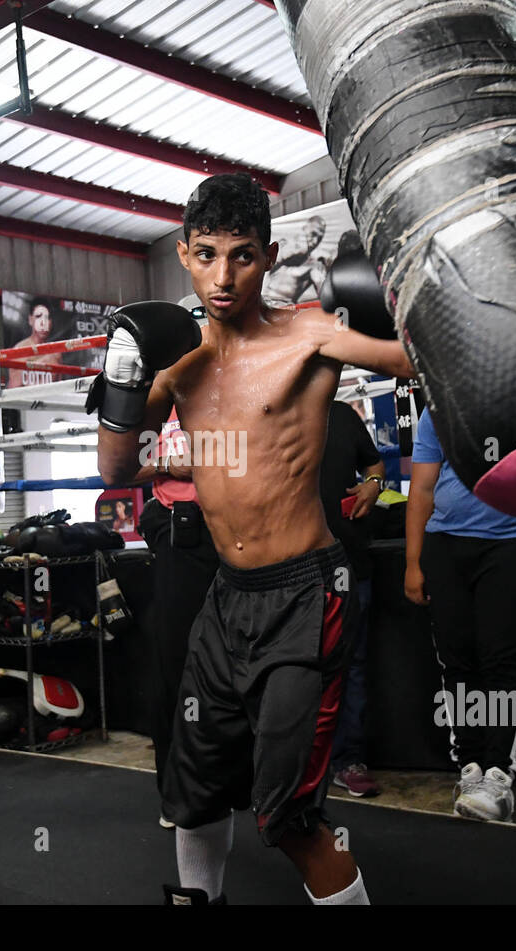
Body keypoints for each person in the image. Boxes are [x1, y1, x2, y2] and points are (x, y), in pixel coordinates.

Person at [95, 172, 413, 905]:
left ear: (269, 257)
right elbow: (116, 468)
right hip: (225, 600)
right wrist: (121, 381)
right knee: (195, 787)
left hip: (306, 596)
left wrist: (404, 295)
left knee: (288, 813)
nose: (223, 275)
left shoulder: (311, 334)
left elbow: (412, 362)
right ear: (182, 254)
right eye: (206, 254)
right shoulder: (179, 363)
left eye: (242, 255)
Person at [404, 407, 516, 822]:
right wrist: (413, 562)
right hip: (446, 545)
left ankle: (499, 773)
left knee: (501, 660)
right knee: (457, 661)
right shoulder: (438, 411)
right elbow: (423, 488)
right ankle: (471, 767)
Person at [134, 404, 219, 830]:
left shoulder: (228, 390)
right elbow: (117, 467)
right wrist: (170, 465)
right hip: (181, 534)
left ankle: (247, 784)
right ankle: (175, 790)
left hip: (240, 530)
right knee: (175, 663)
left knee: (242, 661)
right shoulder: (153, 404)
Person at [321, 400, 385, 798]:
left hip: (347, 560)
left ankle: (349, 761)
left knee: (352, 663)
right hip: (288, 562)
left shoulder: (342, 415)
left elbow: (375, 465)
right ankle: (299, 761)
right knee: (293, 665)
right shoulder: (271, 411)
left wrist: (373, 485)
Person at [7, 297, 57, 388]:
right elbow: (13, 388)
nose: (43, 323)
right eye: (38, 316)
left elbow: (61, 389)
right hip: (26, 401)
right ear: (30, 320)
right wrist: (40, 364)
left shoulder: (56, 354)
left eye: (47, 317)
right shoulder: (19, 351)